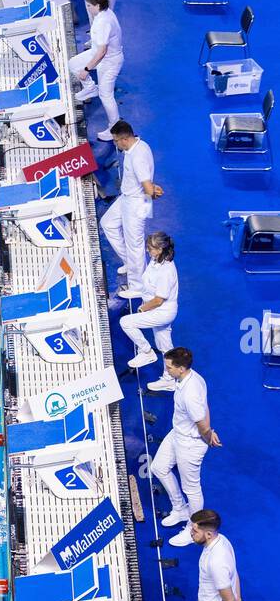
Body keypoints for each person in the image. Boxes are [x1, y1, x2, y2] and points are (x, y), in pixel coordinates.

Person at [149, 348, 221, 548]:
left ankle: (193, 527)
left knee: (192, 488)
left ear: (181, 368)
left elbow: (201, 420)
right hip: (177, 434)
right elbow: (205, 407)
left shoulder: (190, 392)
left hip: (189, 444)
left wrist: (208, 434)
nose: (167, 370)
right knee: (158, 467)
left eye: (169, 367)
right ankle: (180, 508)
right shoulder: (191, 378)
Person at [100, 121, 163, 300]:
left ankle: (138, 287)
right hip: (126, 198)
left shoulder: (137, 157)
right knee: (108, 223)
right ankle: (129, 261)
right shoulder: (139, 146)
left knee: (134, 245)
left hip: (135, 204)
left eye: (116, 141)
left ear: (125, 139)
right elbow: (145, 180)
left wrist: (152, 190)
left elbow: (147, 187)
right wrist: (152, 186)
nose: (115, 144)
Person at [119, 231, 178, 372]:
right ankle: (169, 378)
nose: (147, 250)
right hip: (156, 306)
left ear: (160, 249)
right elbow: (151, 285)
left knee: (126, 322)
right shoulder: (156, 259)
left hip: (162, 311)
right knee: (164, 344)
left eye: (150, 248)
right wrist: (140, 293)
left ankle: (146, 352)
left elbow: (158, 300)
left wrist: (142, 308)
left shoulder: (166, 271)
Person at [68, 0, 123, 140]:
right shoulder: (106, 13)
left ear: (97, 6)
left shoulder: (103, 22)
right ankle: (91, 88)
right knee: (73, 64)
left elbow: (102, 51)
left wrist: (87, 69)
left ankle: (115, 129)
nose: (87, 9)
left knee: (106, 95)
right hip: (98, 54)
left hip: (110, 61)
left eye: (89, 6)